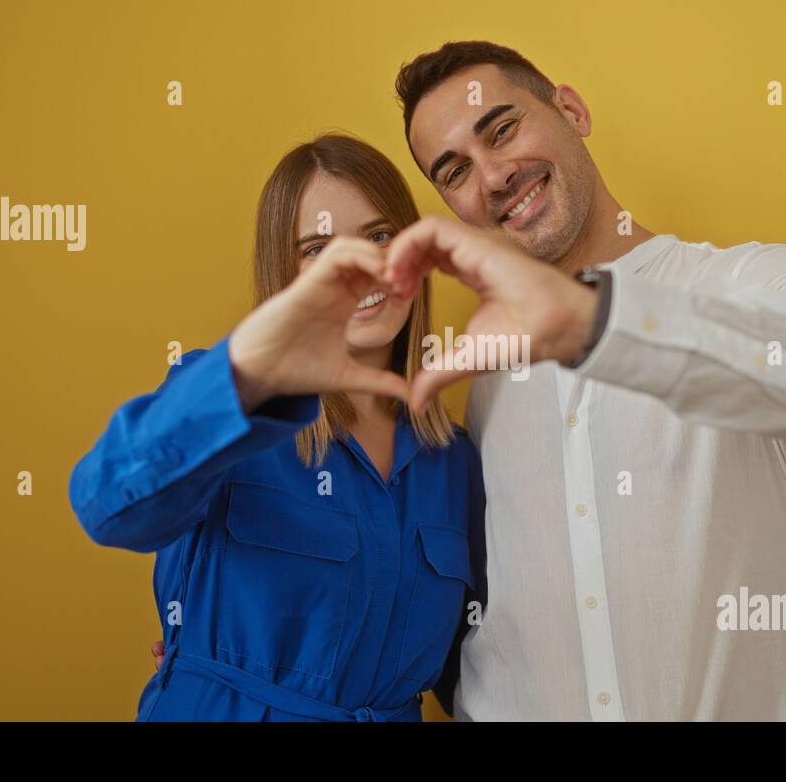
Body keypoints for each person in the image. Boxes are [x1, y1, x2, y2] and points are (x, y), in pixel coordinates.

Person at [379, 41, 786, 720]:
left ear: (571, 110)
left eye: (502, 128)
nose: (492, 176)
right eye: (455, 170)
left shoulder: (749, 281)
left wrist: (594, 322)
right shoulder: (487, 382)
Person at [69, 133, 485, 721]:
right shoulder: (227, 399)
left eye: (379, 236)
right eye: (317, 249)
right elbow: (107, 506)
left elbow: (477, 667)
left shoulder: (455, 459)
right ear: (283, 276)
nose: (360, 269)